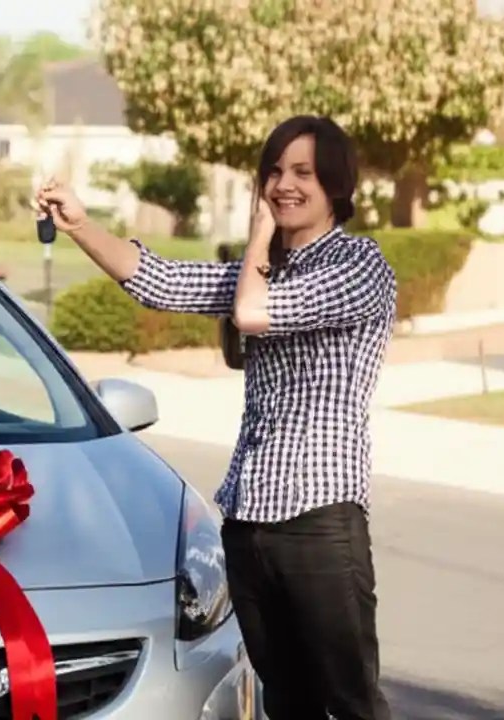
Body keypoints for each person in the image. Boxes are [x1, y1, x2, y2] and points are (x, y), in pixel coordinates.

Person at [35, 114, 395, 720]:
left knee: (351, 704)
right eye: (274, 171)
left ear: (337, 186)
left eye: (303, 172)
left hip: (320, 523)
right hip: (249, 523)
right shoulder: (260, 273)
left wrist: (256, 240)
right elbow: (159, 282)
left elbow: (252, 314)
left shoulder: (358, 266)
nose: (283, 185)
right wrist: (81, 226)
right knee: (286, 702)